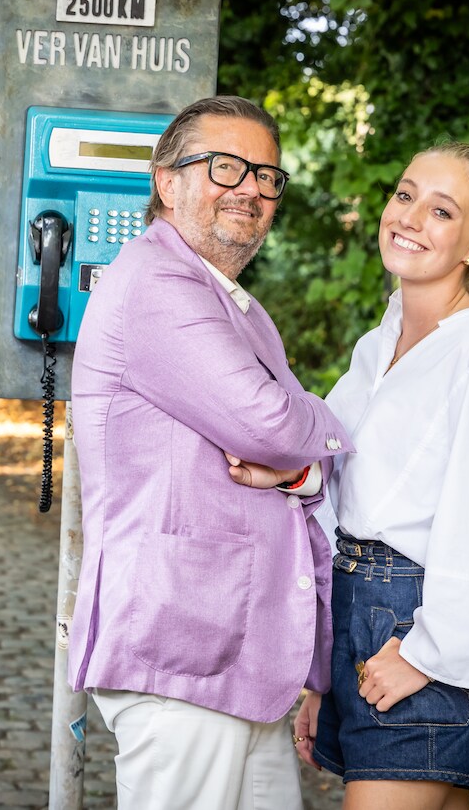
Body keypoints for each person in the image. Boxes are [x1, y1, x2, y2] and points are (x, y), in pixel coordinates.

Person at [228, 142, 469, 809]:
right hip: (359, 615)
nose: (408, 217)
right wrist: (288, 479)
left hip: (420, 628)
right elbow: (363, 486)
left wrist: (424, 651)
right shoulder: (378, 345)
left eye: (441, 211)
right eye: (405, 195)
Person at [67, 95, 354, 809]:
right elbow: (271, 422)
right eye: (226, 167)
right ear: (167, 182)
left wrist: (298, 460)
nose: (251, 188)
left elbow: (285, 448)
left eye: (266, 174)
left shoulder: (229, 300)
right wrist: (334, 423)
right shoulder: (157, 282)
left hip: (240, 656)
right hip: (182, 648)